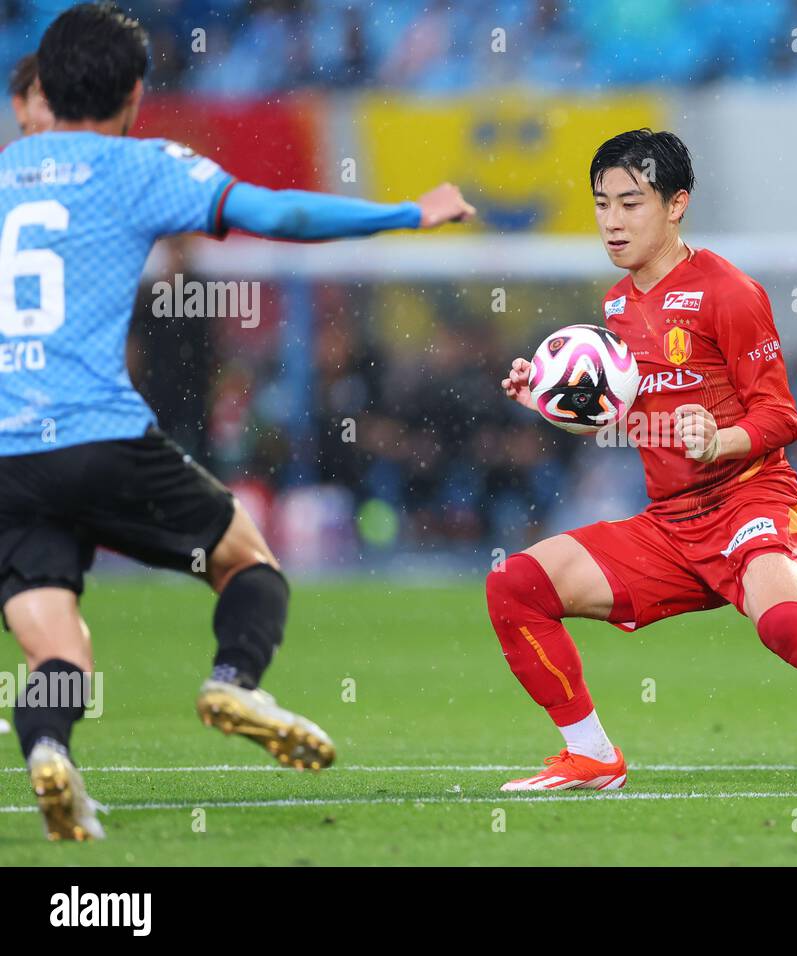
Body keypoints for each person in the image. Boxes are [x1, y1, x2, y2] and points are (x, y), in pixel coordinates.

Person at [1, 3, 475, 841]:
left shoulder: (5, 173)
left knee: (55, 645)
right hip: (98, 433)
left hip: (7, 457)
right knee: (245, 558)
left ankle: (50, 754)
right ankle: (233, 680)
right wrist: (405, 213)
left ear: (41, 89)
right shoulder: (138, 165)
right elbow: (281, 216)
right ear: (136, 93)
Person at [490, 128, 797, 796]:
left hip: (751, 501)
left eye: (630, 203)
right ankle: (593, 755)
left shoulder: (729, 292)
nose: (611, 220)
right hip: (670, 525)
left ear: (676, 204)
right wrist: (550, 402)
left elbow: (783, 417)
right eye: (602, 203)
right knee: (515, 586)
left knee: (784, 623)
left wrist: (720, 441)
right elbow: (629, 419)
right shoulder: (616, 310)